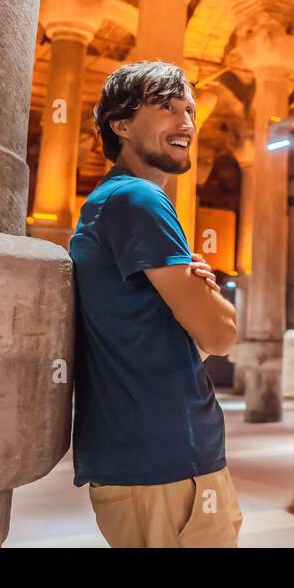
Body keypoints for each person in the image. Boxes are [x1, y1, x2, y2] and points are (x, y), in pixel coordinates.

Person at [69, 59, 242, 547]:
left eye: (189, 109)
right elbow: (220, 335)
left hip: (148, 459)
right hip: (168, 462)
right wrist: (210, 294)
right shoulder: (138, 201)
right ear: (120, 125)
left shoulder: (112, 201)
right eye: (166, 108)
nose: (185, 121)